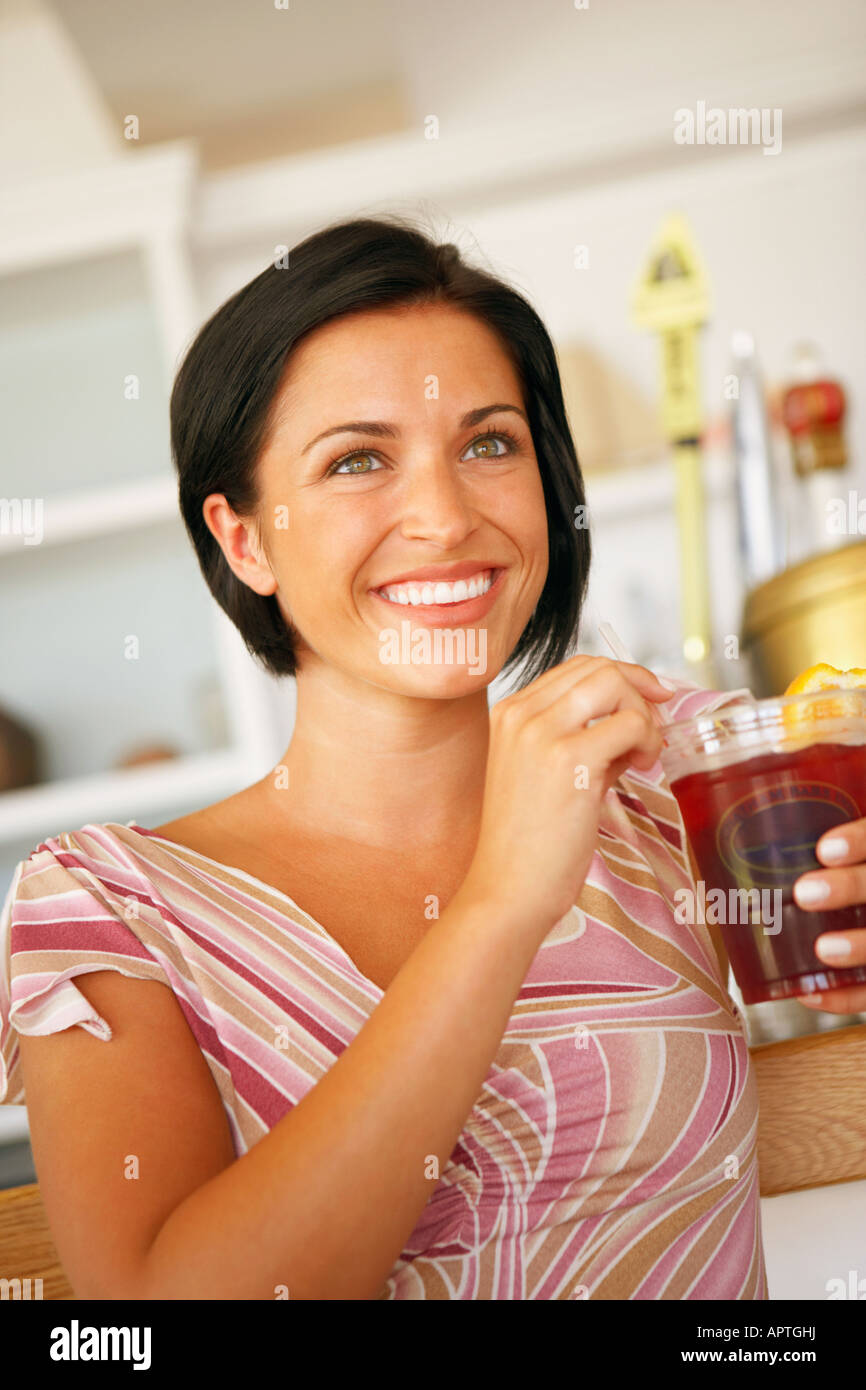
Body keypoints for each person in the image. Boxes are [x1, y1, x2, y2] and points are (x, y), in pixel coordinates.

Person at [4, 213, 812, 1300]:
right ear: (245, 540)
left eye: (487, 443)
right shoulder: (109, 908)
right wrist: (499, 904)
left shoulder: (665, 780)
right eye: (356, 460)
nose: (442, 516)